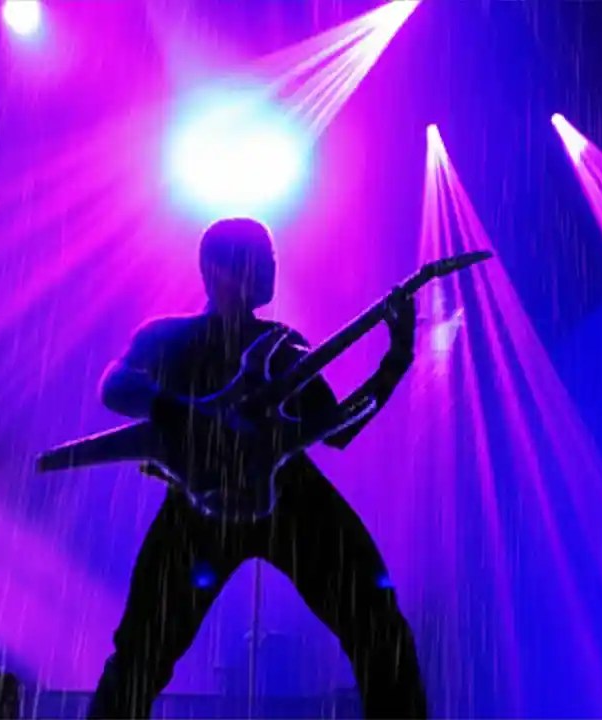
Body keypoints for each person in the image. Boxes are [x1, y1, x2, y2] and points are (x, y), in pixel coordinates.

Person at [88, 218, 427, 718]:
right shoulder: (170, 336)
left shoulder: (282, 342)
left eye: (271, 255)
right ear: (218, 269)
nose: (273, 265)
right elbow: (114, 387)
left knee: (379, 627)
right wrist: (188, 413)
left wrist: (396, 359)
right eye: (261, 256)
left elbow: (337, 430)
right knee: (142, 652)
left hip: (288, 497)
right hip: (200, 504)